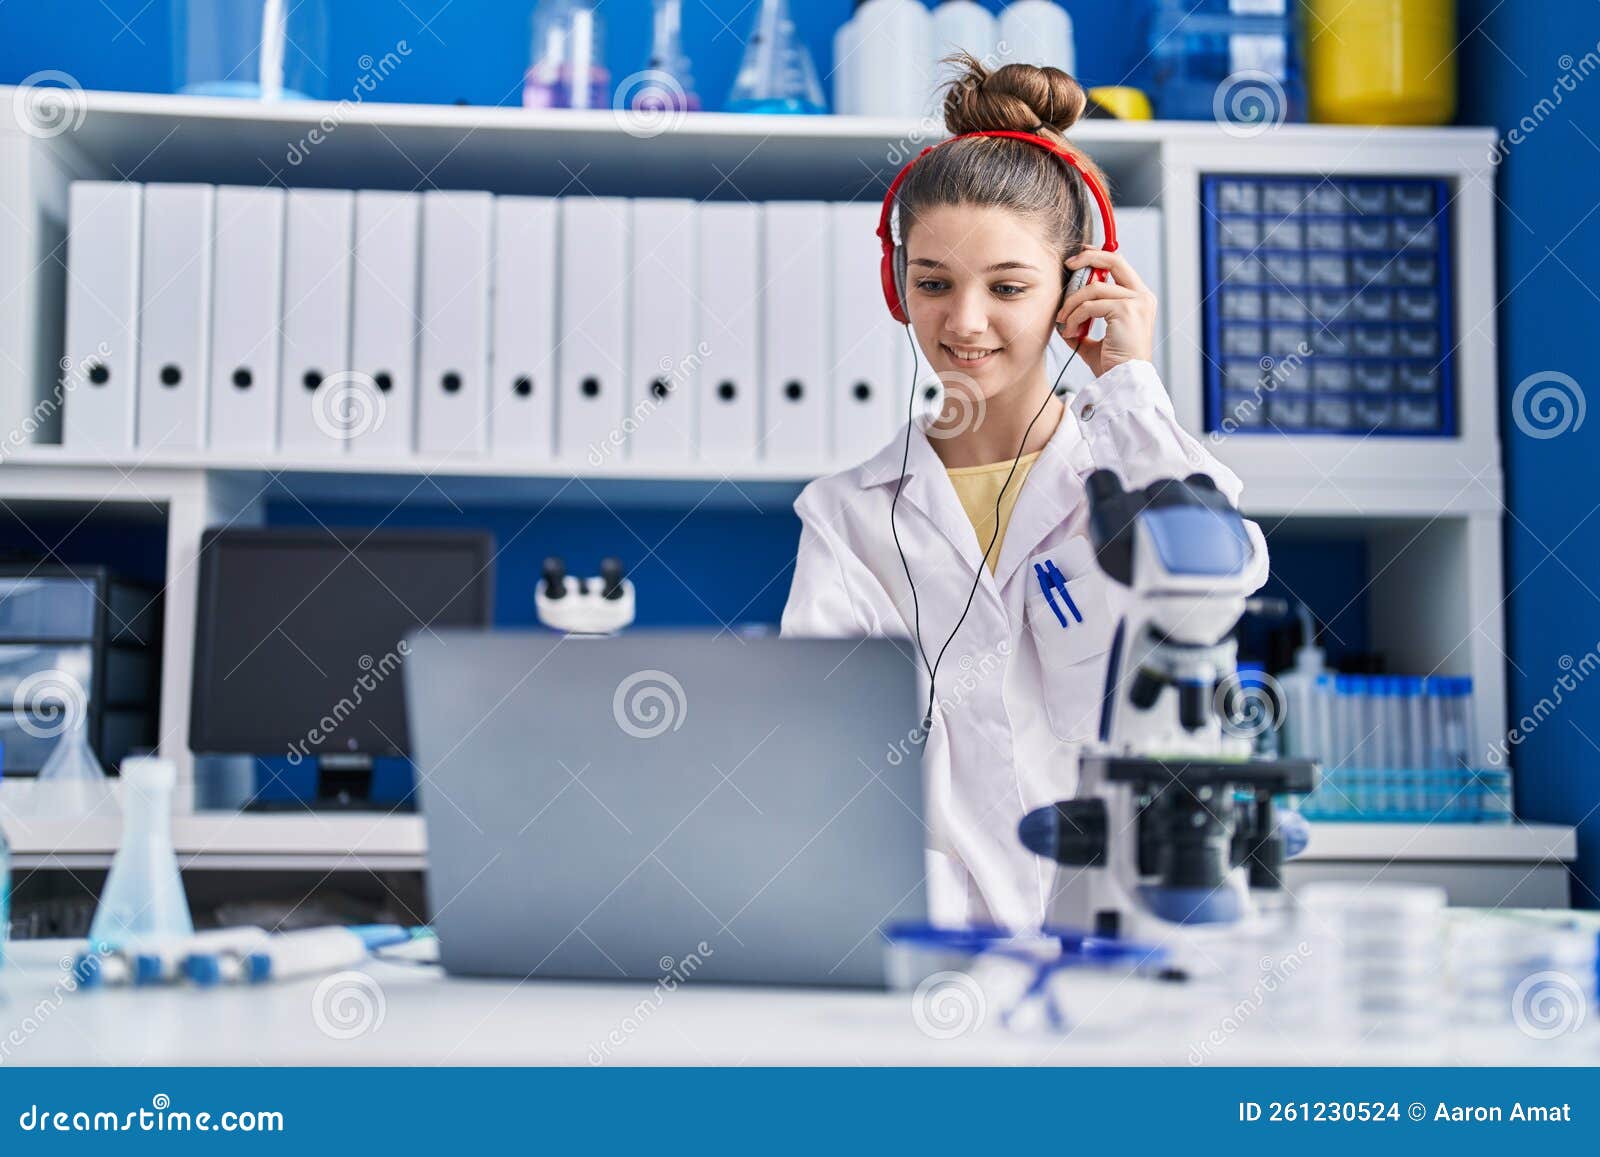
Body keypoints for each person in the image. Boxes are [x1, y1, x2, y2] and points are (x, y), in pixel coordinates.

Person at [780, 54, 1269, 929]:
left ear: (1075, 289)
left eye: (1007, 287)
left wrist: (1130, 385)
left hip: (1123, 930)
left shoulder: (1136, 472)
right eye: (933, 282)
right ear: (899, 289)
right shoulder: (848, 516)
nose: (964, 321)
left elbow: (1213, 589)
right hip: (924, 947)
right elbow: (817, 761)